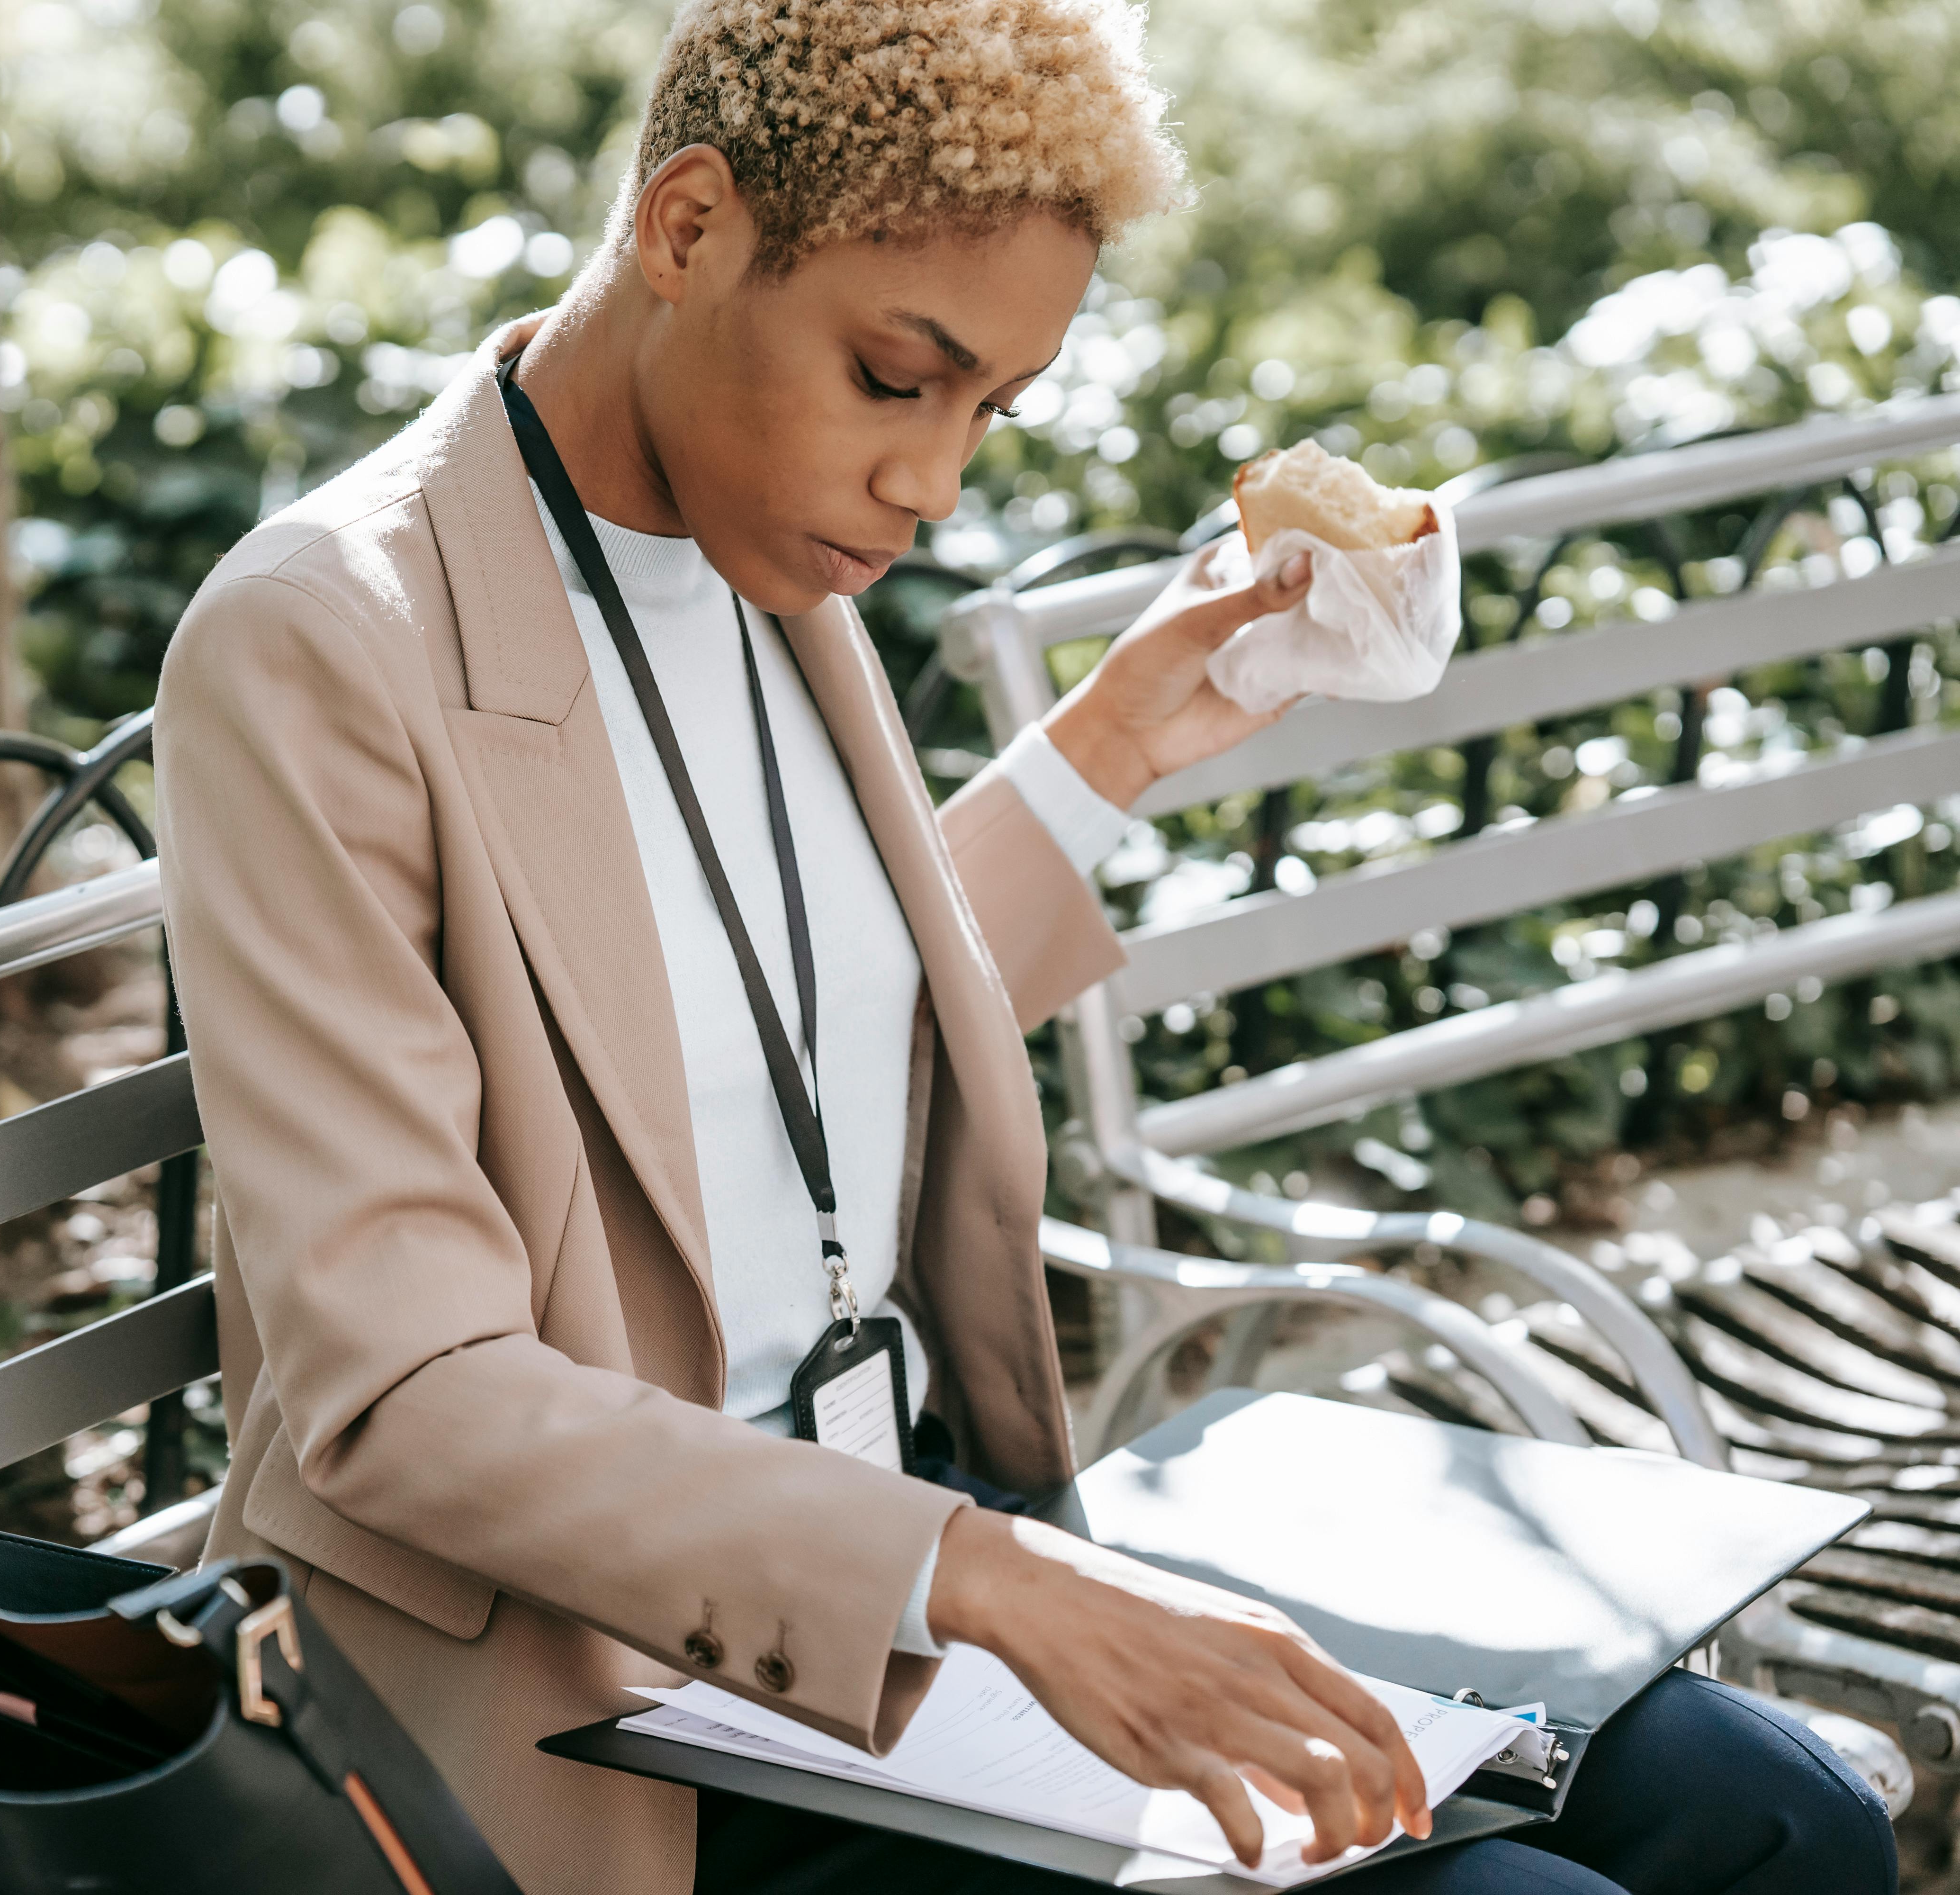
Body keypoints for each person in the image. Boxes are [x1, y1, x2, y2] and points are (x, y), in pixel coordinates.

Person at [152, 1, 1898, 1890]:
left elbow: (745, 1025)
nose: (940, 482)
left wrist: (1120, 740)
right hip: (639, 1695)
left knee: (1777, 1816)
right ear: (688, 230)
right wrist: (993, 1580)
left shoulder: (753, 543)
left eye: (991, 407)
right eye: (902, 376)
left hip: (933, 1591)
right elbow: (400, 1394)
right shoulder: (329, 640)